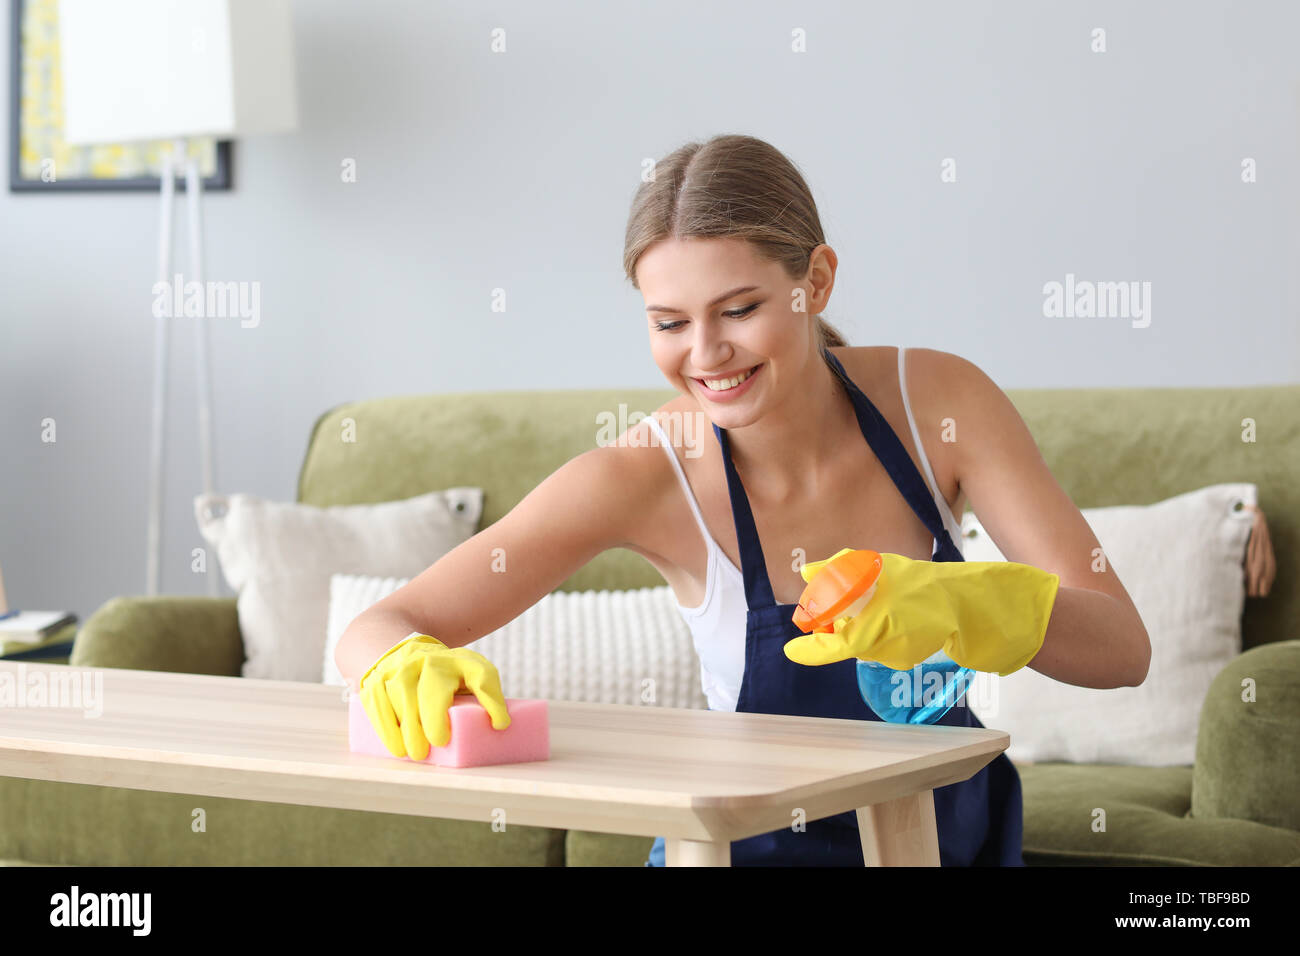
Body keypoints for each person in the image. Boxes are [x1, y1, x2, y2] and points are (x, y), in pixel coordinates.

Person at [334, 133, 1151, 867]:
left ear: (816, 280)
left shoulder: (936, 402)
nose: (706, 353)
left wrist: (969, 604)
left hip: (943, 840)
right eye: (668, 323)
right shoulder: (647, 475)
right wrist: (397, 663)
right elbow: (380, 625)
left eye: (740, 309)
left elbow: (1122, 648)